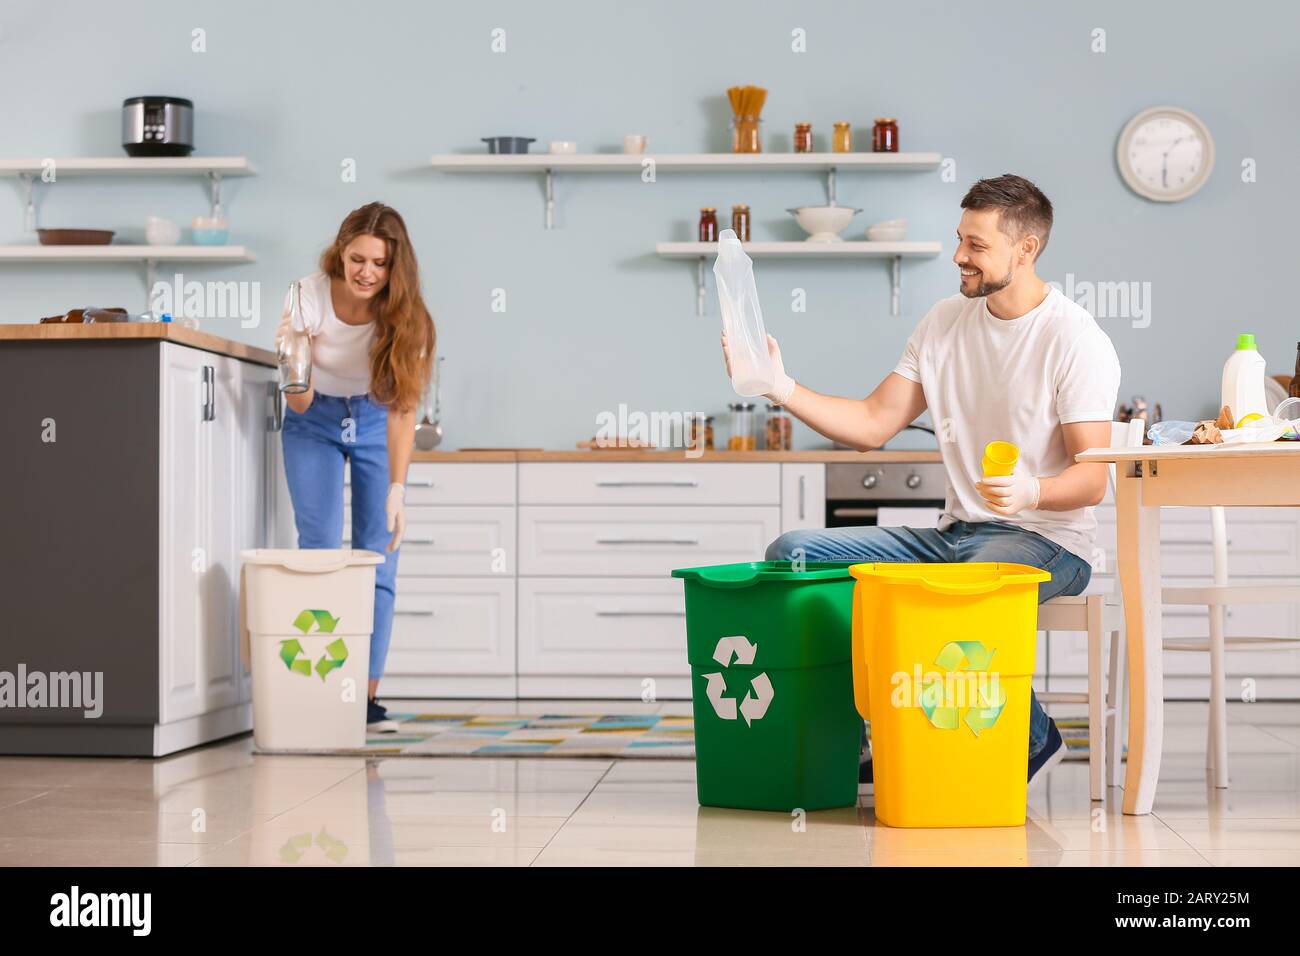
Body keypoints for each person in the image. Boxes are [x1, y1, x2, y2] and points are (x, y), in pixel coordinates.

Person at [724, 174, 1121, 785]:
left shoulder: (1074, 338)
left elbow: (1092, 478)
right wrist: (779, 387)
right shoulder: (943, 323)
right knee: (795, 554)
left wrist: (1032, 492)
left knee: (957, 589)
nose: (959, 256)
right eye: (959, 239)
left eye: (977, 245)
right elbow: (872, 423)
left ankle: (1033, 738)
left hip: (1050, 541)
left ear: (1027, 249)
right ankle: (858, 742)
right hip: (955, 535)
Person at [277, 202, 435, 733]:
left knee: (377, 556)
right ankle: (320, 685)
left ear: (396, 266)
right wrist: (294, 361)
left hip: (373, 418)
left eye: (380, 263)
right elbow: (297, 404)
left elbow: (404, 408)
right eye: (357, 258)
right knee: (318, 550)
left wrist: (397, 488)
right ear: (339, 253)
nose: (367, 272)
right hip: (313, 419)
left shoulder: (409, 317)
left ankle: (364, 696)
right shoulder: (307, 296)